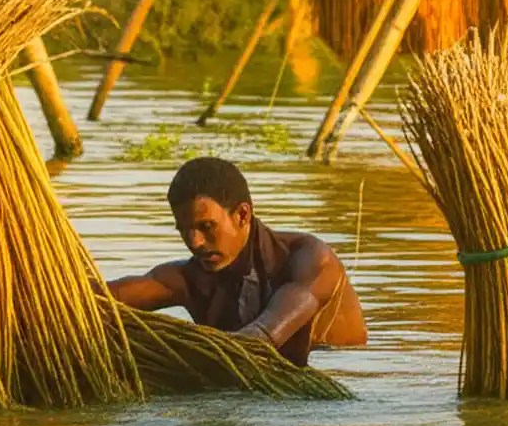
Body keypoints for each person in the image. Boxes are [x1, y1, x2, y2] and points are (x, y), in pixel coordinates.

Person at [106, 156, 367, 367]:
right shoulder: (192, 278)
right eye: (184, 230)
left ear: (242, 215)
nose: (194, 242)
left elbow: (260, 338)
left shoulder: (311, 260)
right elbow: (102, 297)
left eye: (206, 226)